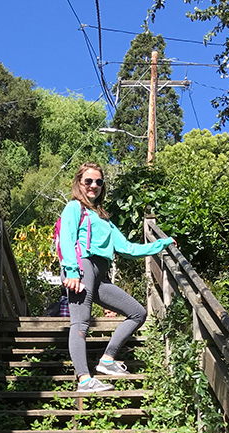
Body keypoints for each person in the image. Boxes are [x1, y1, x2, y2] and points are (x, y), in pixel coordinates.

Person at [58, 162, 174, 393]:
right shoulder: (74, 208)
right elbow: (66, 237)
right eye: (88, 181)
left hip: (100, 275)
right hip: (82, 268)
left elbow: (128, 248)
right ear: (79, 183)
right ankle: (84, 380)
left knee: (138, 312)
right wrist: (71, 271)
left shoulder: (103, 218)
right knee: (80, 323)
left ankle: (107, 360)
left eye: (98, 182)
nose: (93, 186)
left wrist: (162, 244)